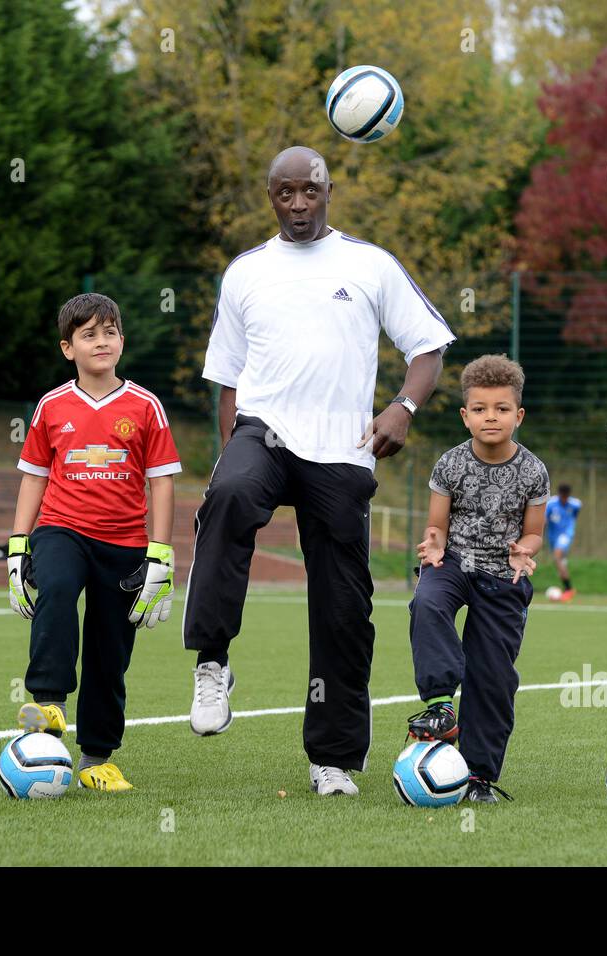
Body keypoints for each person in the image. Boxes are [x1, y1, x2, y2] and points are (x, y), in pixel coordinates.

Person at [183, 145, 456, 796]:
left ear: (329, 191)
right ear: (269, 196)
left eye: (310, 191)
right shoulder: (246, 272)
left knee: (342, 609)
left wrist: (403, 407)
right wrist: (227, 459)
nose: (298, 204)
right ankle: (213, 661)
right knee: (229, 493)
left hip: (340, 449)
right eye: (285, 193)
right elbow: (226, 379)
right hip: (264, 430)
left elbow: (429, 346)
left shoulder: (369, 264)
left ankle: (331, 758)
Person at [8, 293, 181, 793]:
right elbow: (35, 477)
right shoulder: (51, 405)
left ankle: (96, 759)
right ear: (68, 348)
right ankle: (48, 702)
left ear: (122, 341)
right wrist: (19, 544)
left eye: (109, 332)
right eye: (88, 334)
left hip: (126, 543)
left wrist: (160, 554)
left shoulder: (146, 406)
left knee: (111, 652)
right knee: (57, 589)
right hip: (62, 528)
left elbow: (162, 481)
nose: (101, 341)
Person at [407, 355, 548, 803]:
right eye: (482, 409)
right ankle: (441, 704)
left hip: (502, 576)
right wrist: (432, 545)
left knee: (493, 677)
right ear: (465, 417)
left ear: (518, 415)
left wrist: (526, 550)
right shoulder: (449, 464)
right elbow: (437, 526)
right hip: (453, 564)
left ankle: (478, 777)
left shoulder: (533, 470)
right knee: (426, 602)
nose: (492, 417)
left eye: (502, 409)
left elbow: (534, 531)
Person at [545, 484, 581, 601]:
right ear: (559, 494)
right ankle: (567, 587)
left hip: (566, 534)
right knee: (559, 562)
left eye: (566, 497)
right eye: (562, 496)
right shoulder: (551, 504)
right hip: (552, 536)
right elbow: (544, 519)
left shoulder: (575, 504)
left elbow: (574, 516)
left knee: (557, 556)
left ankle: (569, 589)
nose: (564, 499)